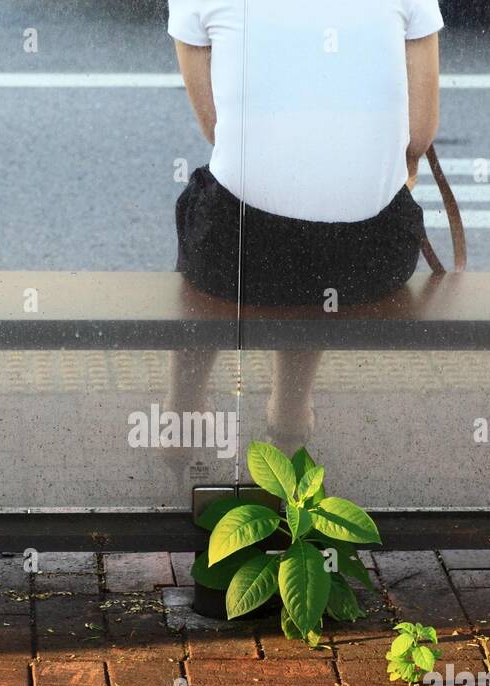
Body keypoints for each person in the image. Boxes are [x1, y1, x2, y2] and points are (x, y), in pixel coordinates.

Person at [165, 0, 442, 455]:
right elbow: (419, 135)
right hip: (370, 260)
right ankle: (290, 412)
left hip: (242, 256)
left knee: (217, 206)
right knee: (319, 233)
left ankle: (183, 408)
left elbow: (218, 130)